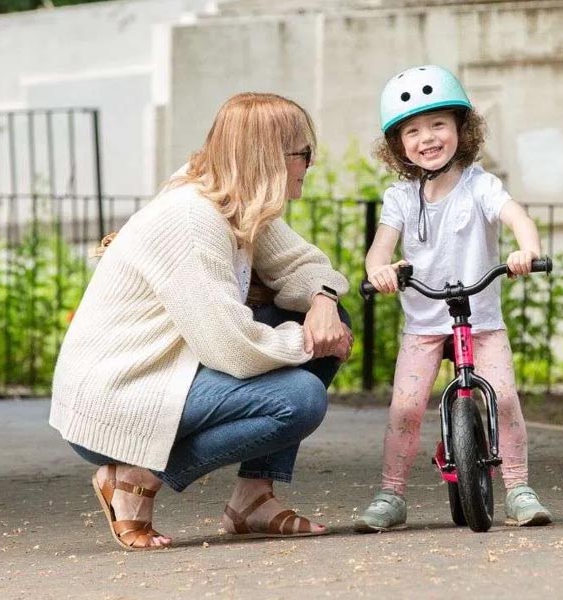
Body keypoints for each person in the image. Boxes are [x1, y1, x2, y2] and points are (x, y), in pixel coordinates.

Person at [50, 92, 353, 550]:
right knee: (299, 399)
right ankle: (134, 477)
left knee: (322, 317)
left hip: (171, 373)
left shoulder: (233, 197)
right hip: (122, 392)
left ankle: (253, 500)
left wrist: (325, 300)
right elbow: (229, 348)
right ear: (268, 158)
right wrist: (309, 342)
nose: (308, 165)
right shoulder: (192, 217)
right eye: (303, 154)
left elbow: (301, 263)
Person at [354, 65, 551, 532]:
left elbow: (514, 215)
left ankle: (519, 489)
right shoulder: (401, 197)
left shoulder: (479, 185)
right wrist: (380, 271)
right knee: (404, 408)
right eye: (413, 130)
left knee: (503, 399)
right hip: (424, 321)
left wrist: (528, 248)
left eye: (439, 124)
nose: (428, 138)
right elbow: (380, 248)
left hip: (478, 317)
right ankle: (392, 493)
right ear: (398, 144)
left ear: (462, 129)